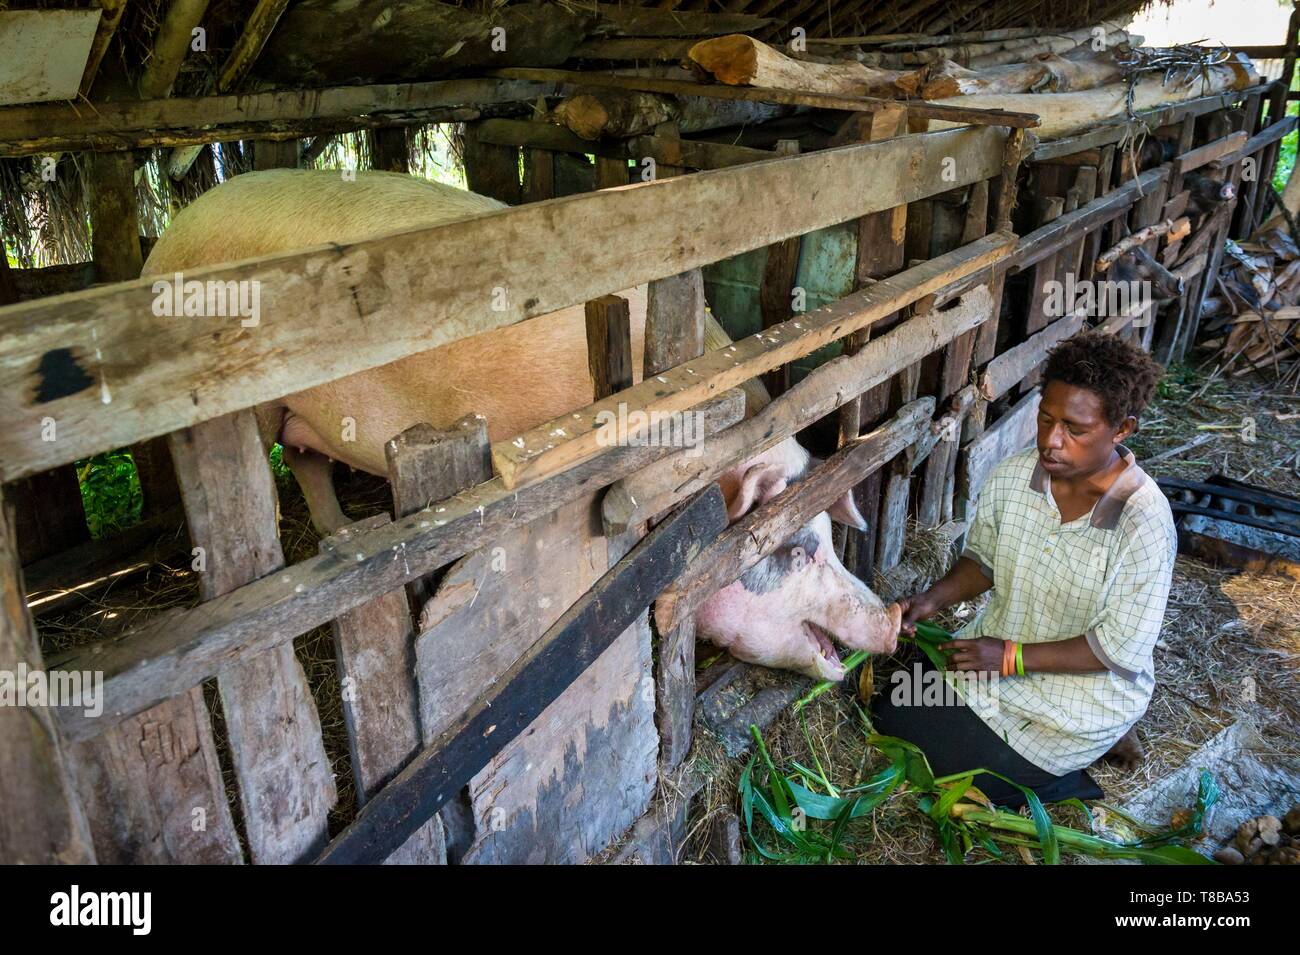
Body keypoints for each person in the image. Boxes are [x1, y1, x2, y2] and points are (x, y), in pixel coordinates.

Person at [872, 331, 1176, 808]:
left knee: (945, 766)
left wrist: (1011, 657)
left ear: (1122, 430)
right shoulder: (1016, 475)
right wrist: (934, 599)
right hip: (995, 662)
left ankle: (1077, 764)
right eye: (1046, 418)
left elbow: (1119, 649)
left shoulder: (1143, 524)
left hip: (1078, 698)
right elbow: (984, 562)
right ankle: (1019, 758)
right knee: (890, 707)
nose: (1052, 441)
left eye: (1075, 430)